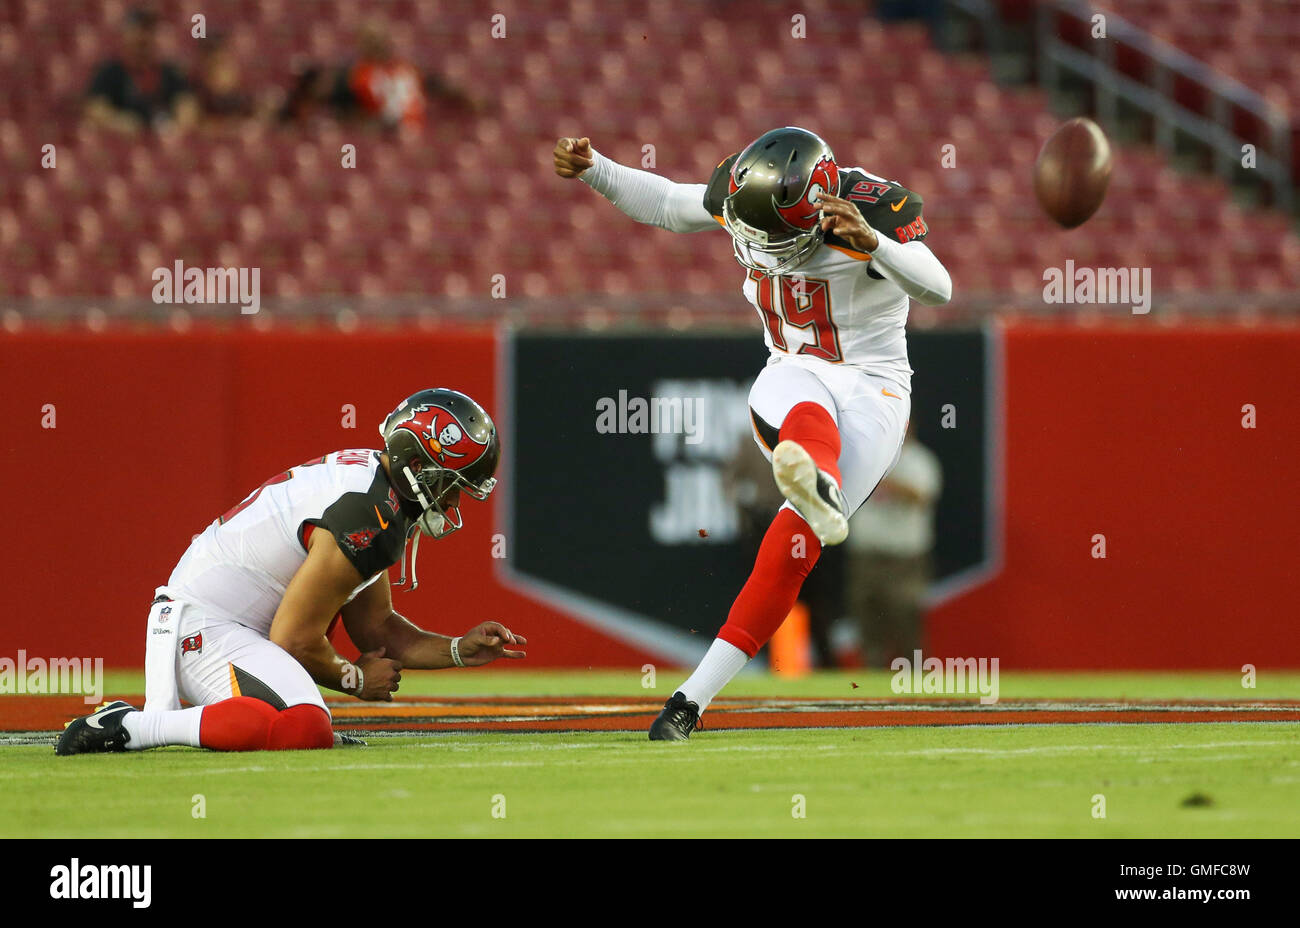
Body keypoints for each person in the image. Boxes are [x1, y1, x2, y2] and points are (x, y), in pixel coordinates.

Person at [553, 127, 952, 740]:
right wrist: (596, 169)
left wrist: (874, 245)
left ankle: (689, 699)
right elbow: (666, 204)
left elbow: (940, 287)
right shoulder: (746, 194)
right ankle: (816, 479)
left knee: (794, 553)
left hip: (876, 385)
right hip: (792, 368)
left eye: (778, 237)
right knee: (801, 411)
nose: (761, 248)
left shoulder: (871, 209)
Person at [57, 389, 526, 755]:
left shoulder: (377, 496)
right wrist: (356, 682)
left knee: (302, 722)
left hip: (218, 627)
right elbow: (294, 638)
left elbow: (376, 627)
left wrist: (459, 650)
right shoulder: (368, 511)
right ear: (418, 464)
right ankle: (133, 726)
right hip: (201, 628)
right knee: (302, 725)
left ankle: (160, 721)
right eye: (452, 485)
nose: (452, 502)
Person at [843, 432, 942, 666]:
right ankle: (871, 681)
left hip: (904, 560)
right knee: (867, 619)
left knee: (906, 619)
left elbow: (922, 496)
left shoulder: (919, 460)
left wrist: (887, 478)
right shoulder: (864, 459)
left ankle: (915, 680)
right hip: (866, 556)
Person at [84, 6, 198, 134]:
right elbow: (95, 109)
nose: (144, 37)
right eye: (138, 30)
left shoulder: (170, 72)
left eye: (149, 30)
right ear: (125, 35)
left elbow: (187, 106)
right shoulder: (110, 72)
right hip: (123, 144)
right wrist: (117, 121)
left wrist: (176, 126)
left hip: (163, 140)